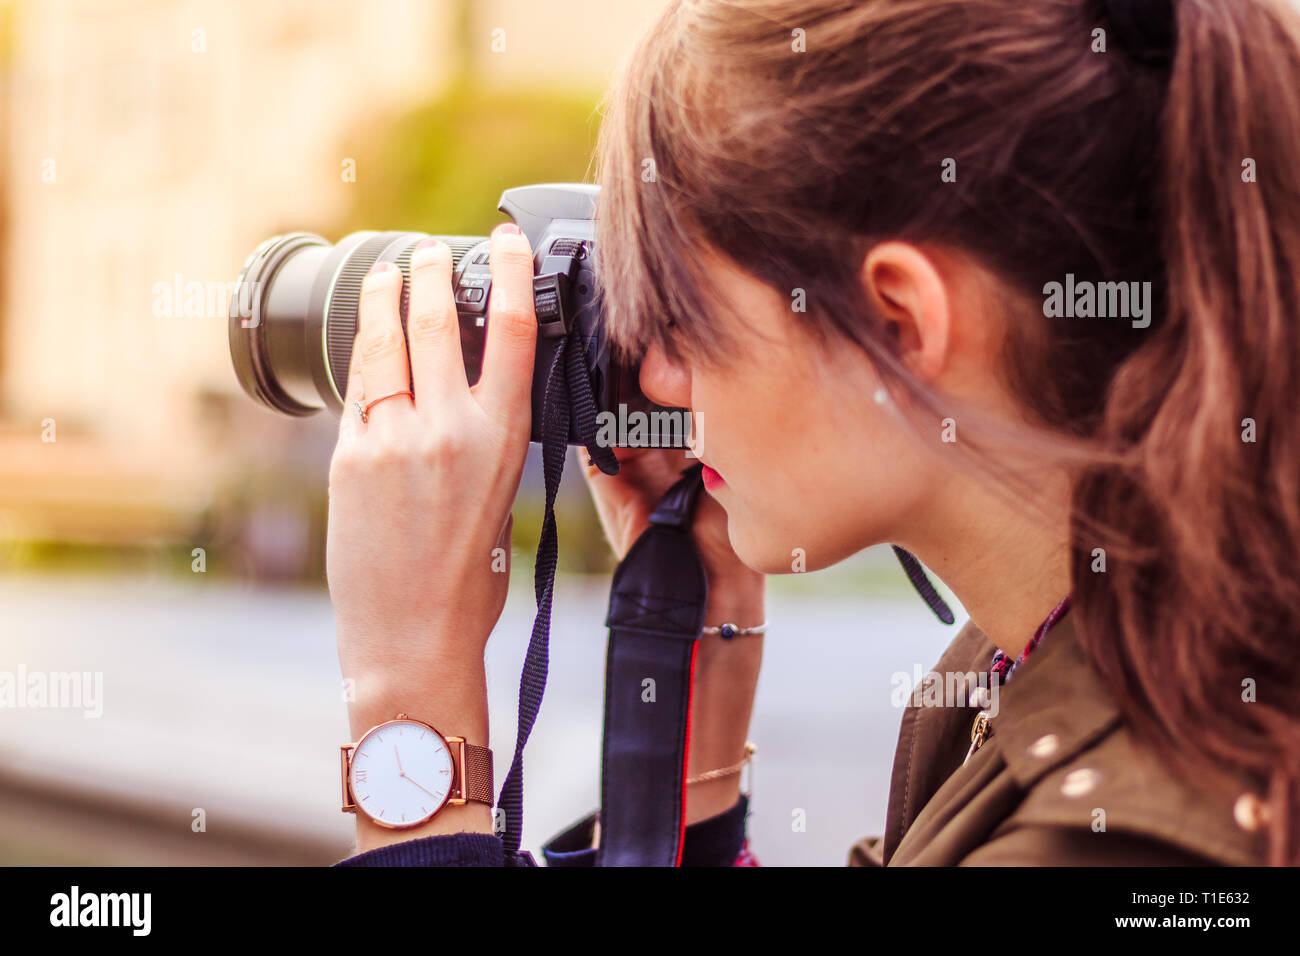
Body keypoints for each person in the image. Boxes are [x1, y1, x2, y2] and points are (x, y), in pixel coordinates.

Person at [328, 0, 1300, 867]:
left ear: (896, 322)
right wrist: (689, 740)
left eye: (684, 314)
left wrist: (409, 706)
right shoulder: (1038, 669)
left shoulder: (1121, 834)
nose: (658, 377)